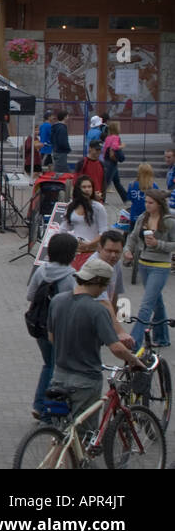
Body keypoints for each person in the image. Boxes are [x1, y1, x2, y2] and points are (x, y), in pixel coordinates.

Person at [48, 257, 145, 423]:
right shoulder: (97, 310)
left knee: (60, 430)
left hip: (59, 375)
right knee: (84, 432)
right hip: (85, 380)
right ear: (99, 282)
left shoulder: (57, 300)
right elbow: (116, 348)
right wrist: (134, 359)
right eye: (106, 285)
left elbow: (52, 338)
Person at [28, 232, 82, 421]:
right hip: (60, 328)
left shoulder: (41, 270)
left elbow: (30, 295)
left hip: (39, 325)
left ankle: (38, 404)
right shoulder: (72, 277)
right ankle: (46, 410)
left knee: (48, 364)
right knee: (56, 368)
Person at [124, 189, 175, 350]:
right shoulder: (143, 217)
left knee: (146, 305)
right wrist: (127, 250)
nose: (147, 205)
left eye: (150, 203)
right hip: (144, 264)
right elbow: (132, 237)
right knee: (156, 302)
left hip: (160, 266)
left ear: (159, 205)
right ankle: (162, 338)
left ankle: (134, 342)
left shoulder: (169, 221)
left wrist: (157, 244)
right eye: (146, 202)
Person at [65, 175, 108, 256]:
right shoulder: (70, 206)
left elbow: (104, 231)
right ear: (78, 189)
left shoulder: (98, 208)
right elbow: (64, 228)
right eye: (84, 187)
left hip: (92, 251)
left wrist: (90, 244)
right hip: (74, 250)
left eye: (89, 187)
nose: (87, 189)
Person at [125, 163, 156, 238]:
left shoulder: (132, 185)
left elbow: (129, 198)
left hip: (134, 215)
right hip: (148, 216)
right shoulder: (154, 186)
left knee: (133, 237)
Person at [74, 141, 106, 207]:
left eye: (100, 150)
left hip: (98, 201)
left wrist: (102, 198)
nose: (99, 152)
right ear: (90, 149)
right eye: (97, 149)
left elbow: (103, 183)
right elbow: (76, 183)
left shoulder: (101, 164)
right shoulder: (82, 163)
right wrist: (92, 195)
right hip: (84, 201)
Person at [101, 121, 126, 204]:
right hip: (112, 162)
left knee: (116, 181)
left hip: (106, 161)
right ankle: (101, 199)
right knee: (106, 182)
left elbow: (105, 149)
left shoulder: (108, 137)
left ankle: (126, 198)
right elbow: (114, 147)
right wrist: (122, 146)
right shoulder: (116, 137)